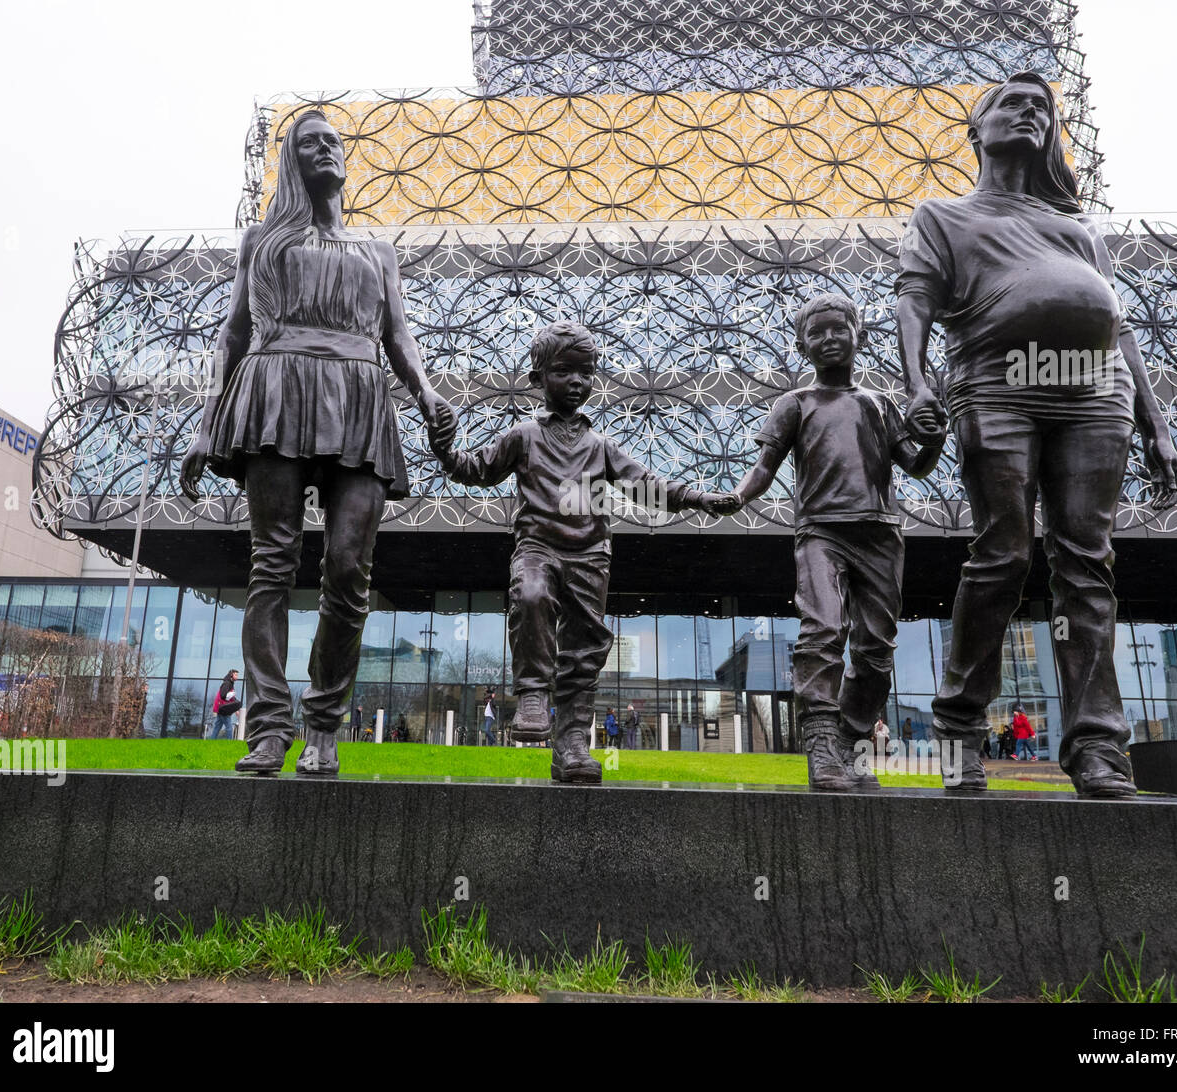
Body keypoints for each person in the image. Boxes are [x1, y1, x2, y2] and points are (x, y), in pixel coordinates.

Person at [895, 72, 1177, 798]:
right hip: (996, 381)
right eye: (1011, 104)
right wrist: (917, 383)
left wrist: (1158, 421)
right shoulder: (943, 216)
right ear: (976, 129)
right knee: (1004, 551)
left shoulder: (1078, 227)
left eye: (1042, 109)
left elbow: (1118, 328)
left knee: (1087, 560)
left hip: (1096, 393)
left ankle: (1096, 747)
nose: (1030, 113)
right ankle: (960, 727)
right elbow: (914, 301)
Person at [180, 110, 455, 776]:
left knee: (346, 571)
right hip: (276, 386)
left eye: (334, 140)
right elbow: (232, 336)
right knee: (272, 565)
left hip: (360, 398)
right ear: (292, 164)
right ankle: (269, 728)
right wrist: (205, 422)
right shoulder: (262, 242)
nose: (326, 149)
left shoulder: (376, 252)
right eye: (310, 143)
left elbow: (400, 338)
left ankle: (324, 725)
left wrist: (427, 394)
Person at [428, 320, 731, 782]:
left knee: (584, 651)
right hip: (538, 547)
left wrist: (696, 498)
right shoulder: (524, 436)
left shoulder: (600, 445)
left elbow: (646, 486)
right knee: (529, 595)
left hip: (590, 556)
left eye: (586, 374)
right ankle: (532, 694)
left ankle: (571, 743)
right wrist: (445, 449)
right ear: (538, 378)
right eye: (565, 371)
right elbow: (480, 470)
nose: (577, 382)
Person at [716, 294, 945, 790]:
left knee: (876, 648)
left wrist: (934, 438)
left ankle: (853, 742)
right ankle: (820, 743)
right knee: (821, 631)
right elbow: (764, 468)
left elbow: (916, 465)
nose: (828, 339)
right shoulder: (793, 405)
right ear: (802, 346)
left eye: (838, 329)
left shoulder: (879, 403)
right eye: (816, 333)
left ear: (858, 336)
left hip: (881, 533)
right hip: (821, 531)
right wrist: (736, 497)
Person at [208, 669, 241, 739]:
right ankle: (230, 744)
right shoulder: (227, 683)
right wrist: (231, 695)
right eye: (236, 675)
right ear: (231, 675)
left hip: (221, 708)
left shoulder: (230, 684)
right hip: (223, 709)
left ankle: (211, 741)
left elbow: (231, 698)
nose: (237, 676)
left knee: (217, 727)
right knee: (229, 728)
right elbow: (223, 695)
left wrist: (236, 708)